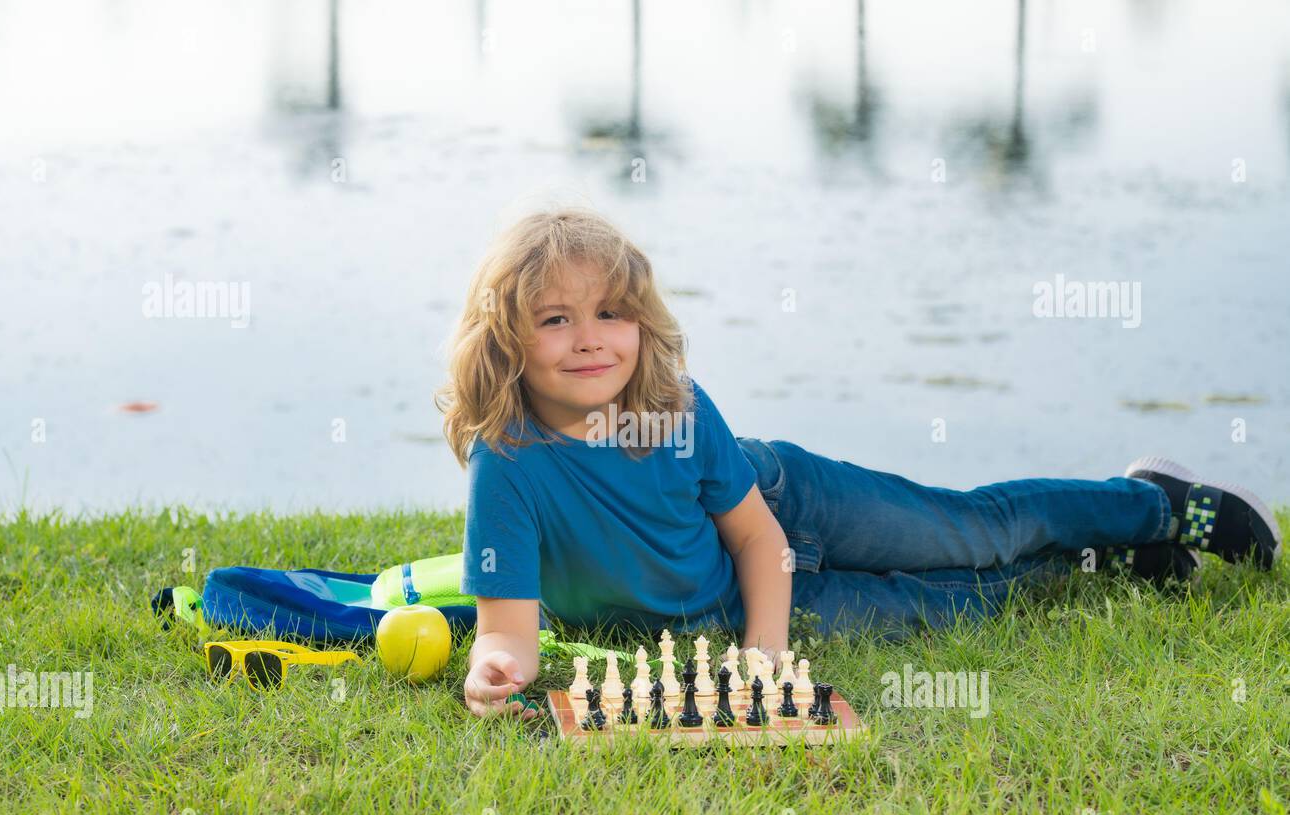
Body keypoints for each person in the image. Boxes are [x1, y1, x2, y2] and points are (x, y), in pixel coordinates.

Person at [434, 208, 1282, 719]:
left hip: (786, 514)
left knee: (973, 533)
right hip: (726, 606)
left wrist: (763, 658)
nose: (589, 338)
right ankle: (1108, 562)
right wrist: (494, 667)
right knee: (958, 604)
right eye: (554, 319)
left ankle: (1158, 505)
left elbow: (760, 541)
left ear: (642, 322)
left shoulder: (676, 411)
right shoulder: (509, 463)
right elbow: (510, 626)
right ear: (505, 338)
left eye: (611, 312)